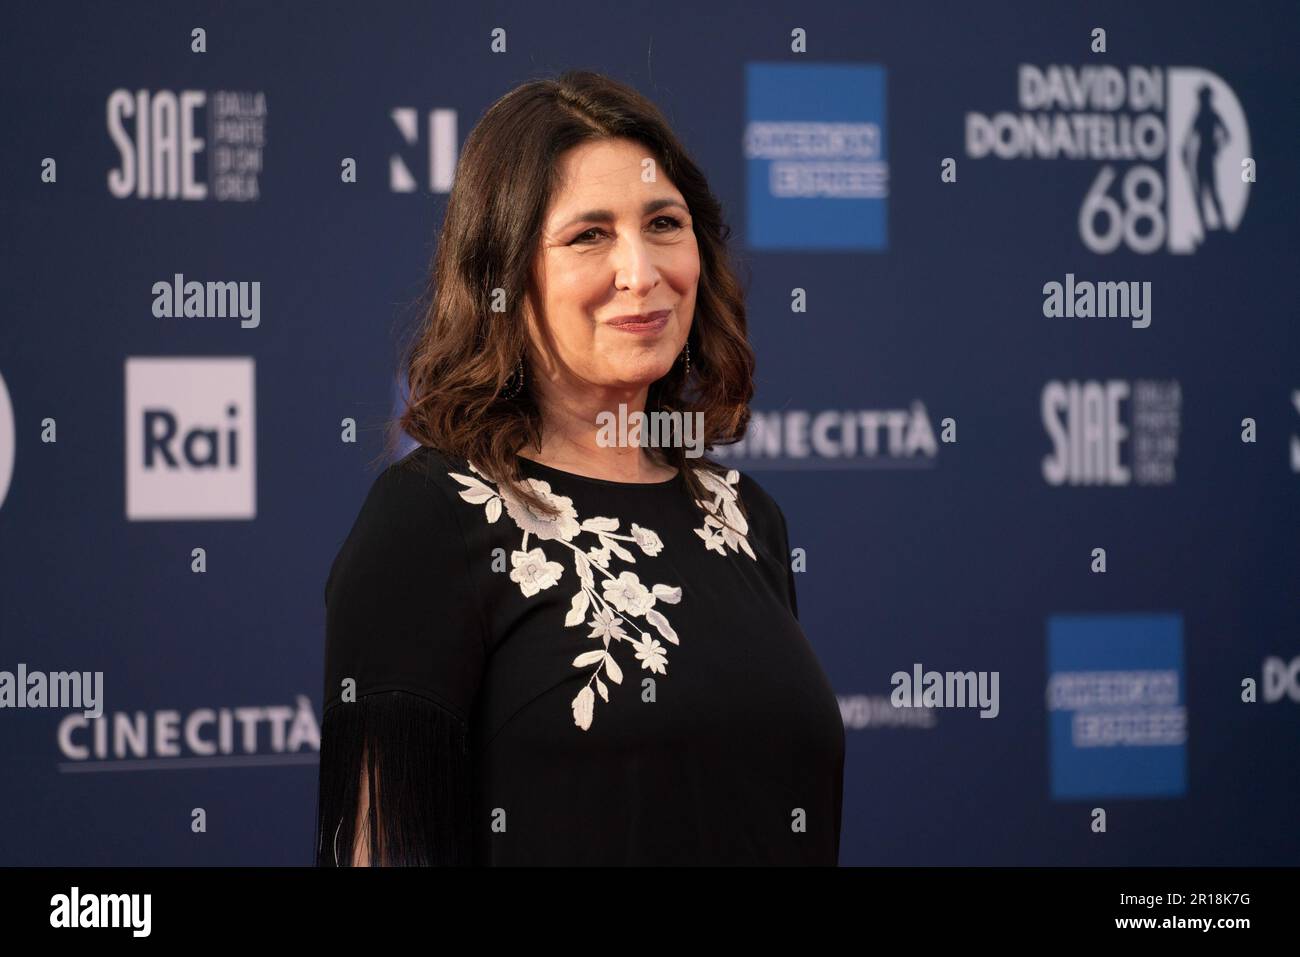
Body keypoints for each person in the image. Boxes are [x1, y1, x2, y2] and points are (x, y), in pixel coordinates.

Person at [314, 70, 845, 866]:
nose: (641, 271)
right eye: (589, 235)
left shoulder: (744, 516)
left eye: (664, 223)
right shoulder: (428, 521)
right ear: (501, 273)